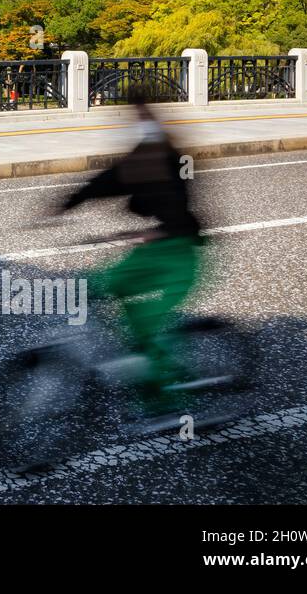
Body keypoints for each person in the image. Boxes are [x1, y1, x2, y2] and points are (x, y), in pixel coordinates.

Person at [56, 87, 205, 421]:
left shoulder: (176, 159)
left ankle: (166, 398)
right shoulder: (142, 156)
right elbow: (106, 181)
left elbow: (180, 205)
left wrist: (159, 230)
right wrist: (61, 207)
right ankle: (141, 366)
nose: (138, 120)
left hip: (181, 255)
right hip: (152, 252)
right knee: (96, 284)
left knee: (152, 322)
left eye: (143, 113)